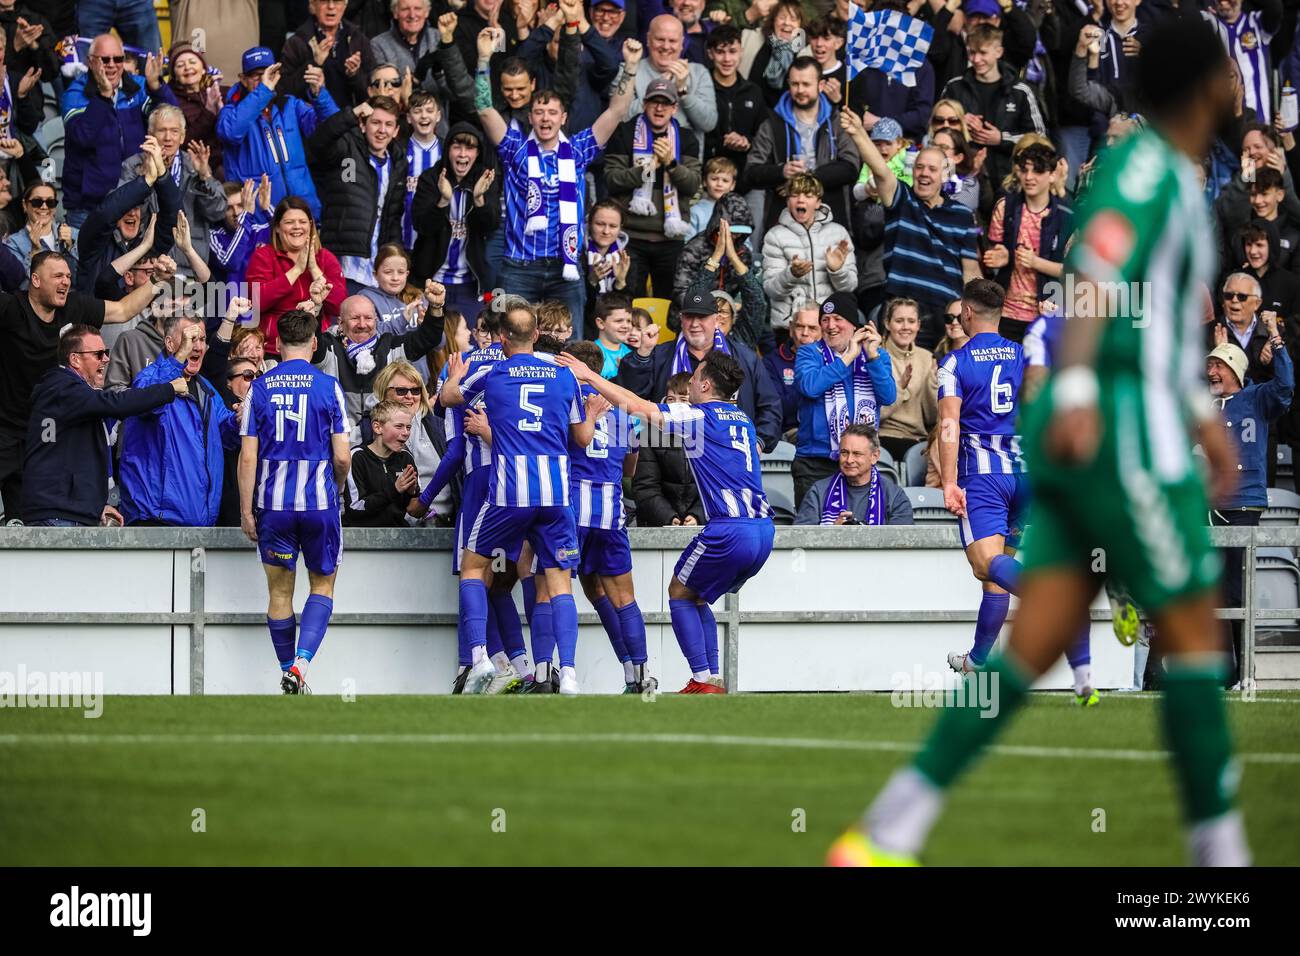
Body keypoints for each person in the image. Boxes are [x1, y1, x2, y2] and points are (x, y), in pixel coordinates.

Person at [834, 21, 1252, 868]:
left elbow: (1159, 322)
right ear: (1209, 87)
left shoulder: (1162, 170)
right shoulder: (1152, 174)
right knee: (1197, 635)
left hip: (1110, 427)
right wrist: (1088, 393)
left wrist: (1204, 422)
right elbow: (1097, 281)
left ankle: (885, 833)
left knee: (1030, 646)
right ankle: (1223, 863)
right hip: (1124, 440)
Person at [561, 346, 774, 694]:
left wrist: (589, 376)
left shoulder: (699, 416)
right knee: (696, 595)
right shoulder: (743, 420)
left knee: (678, 593)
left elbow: (638, 407)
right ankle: (712, 679)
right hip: (763, 530)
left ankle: (701, 679)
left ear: (705, 386)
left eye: (695, 376)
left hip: (730, 530)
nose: (689, 382)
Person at [440, 300, 597, 696]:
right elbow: (582, 438)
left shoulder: (492, 372)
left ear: (502, 338)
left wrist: (455, 375)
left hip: (509, 492)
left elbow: (446, 398)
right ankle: (570, 673)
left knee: (474, 568)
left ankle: (478, 658)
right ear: (539, 335)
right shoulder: (564, 376)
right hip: (556, 493)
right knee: (560, 584)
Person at [478, 36, 645, 335]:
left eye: (552, 112)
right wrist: (482, 60)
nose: (545, 118)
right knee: (509, 343)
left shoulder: (578, 149)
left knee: (572, 347)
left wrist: (630, 67)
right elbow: (484, 110)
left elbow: (617, 111)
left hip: (565, 268)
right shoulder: (514, 148)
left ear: (563, 118)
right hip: (519, 267)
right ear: (530, 117)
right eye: (539, 112)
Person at [0, 249, 174, 520]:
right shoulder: (11, 308)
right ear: (35, 280)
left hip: (48, 429)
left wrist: (157, 281)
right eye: (57, 276)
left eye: (68, 276)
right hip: (4, 427)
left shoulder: (73, 306)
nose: (65, 282)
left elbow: (123, 310)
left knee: (24, 520)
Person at [239, 307, 352, 694]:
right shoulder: (328, 386)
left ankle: (288, 668)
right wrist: (336, 487)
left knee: (279, 593)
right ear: (315, 344)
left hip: (274, 506)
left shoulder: (260, 388)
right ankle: (301, 665)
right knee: (322, 587)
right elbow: (342, 456)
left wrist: (245, 510)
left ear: (277, 344)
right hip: (319, 504)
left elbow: (248, 456)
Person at [928, 280, 1028, 675]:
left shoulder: (954, 362)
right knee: (999, 571)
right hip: (1025, 475)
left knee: (986, 564)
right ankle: (979, 661)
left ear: (967, 313)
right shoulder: (1024, 356)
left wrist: (949, 481)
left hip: (983, 477)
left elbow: (949, 424)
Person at [841, 106, 981, 352]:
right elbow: (881, 171)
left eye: (932, 169)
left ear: (945, 176)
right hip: (900, 308)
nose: (924, 173)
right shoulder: (902, 200)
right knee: (895, 380)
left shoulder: (962, 216)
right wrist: (857, 134)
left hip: (943, 313)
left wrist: (971, 314)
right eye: (919, 167)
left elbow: (970, 271)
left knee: (938, 382)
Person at [21, 324, 186, 527]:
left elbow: (73, 456)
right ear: (75, 360)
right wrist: (168, 389)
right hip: (57, 515)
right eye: (99, 354)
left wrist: (96, 504)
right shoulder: (61, 388)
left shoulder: (75, 395)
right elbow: (116, 403)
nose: (106, 359)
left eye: (106, 353)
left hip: (68, 511)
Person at [563, 339, 653, 693]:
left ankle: (550, 672)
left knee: (554, 591)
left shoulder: (568, 402)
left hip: (571, 512)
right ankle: (638, 675)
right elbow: (631, 466)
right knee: (621, 596)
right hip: (610, 515)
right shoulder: (620, 412)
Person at [1208, 319, 1294, 687]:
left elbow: (1286, 386)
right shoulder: (1204, 406)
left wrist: (1276, 339)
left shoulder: (1256, 397)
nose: (1210, 371)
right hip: (1205, 505)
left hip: (1242, 504)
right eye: (1209, 365)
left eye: (1218, 366)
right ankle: (1223, 671)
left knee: (1234, 590)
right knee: (1212, 591)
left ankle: (1246, 671)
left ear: (1236, 372)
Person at [616, 288, 783, 451]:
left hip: (727, 452)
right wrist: (643, 353)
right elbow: (630, 395)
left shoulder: (745, 358)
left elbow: (770, 406)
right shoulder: (659, 355)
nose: (694, 324)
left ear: (716, 319)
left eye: (702, 317)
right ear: (681, 318)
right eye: (689, 316)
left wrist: (759, 442)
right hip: (670, 453)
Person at [118, 312, 242, 526]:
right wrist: (178, 358)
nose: (197, 346)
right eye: (189, 338)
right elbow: (144, 401)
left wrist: (239, 420)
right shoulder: (150, 378)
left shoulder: (206, 388)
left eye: (202, 339)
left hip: (199, 522)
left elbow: (225, 433)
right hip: (154, 522)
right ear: (169, 343)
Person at [61, 34, 178, 228]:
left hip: (135, 202)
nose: (112, 65)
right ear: (90, 62)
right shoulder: (76, 93)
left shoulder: (139, 86)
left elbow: (172, 119)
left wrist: (156, 87)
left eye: (118, 59)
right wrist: (103, 96)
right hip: (88, 206)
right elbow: (82, 137)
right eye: (105, 59)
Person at [792, 290, 896, 511]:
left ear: (854, 325)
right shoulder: (809, 353)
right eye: (825, 320)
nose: (831, 325)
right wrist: (848, 356)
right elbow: (810, 387)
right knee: (811, 532)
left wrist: (872, 356)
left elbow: (888, 396)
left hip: (858, 463)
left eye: (838, 319)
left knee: (858, 530)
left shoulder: (877, 355)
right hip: (815, 463)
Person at [605, 78, 702, 298]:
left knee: (670, 305)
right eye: (654, 102)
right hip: (631, 236)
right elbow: (612, 179)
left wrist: (672, 164)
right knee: (630, 302)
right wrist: (647, 169)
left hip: (671, 240)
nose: (659, 108)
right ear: (644, 104)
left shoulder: (686, 138)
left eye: (665, 103)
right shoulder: (625, 132)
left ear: (675, 108)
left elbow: (693, 185)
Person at [217, 50, 340, 221]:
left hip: (301, 214)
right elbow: (231, 132)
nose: (263, 79)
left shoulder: (290, 105)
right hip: (258, 219)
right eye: (256, 75)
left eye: (269, 73)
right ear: (243, 80)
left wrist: (320, 94)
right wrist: (264, 90)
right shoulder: (231, 112)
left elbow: (333, 127)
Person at [313, 286, 445, 442]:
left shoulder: (389, 346)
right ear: (341, 323)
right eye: (355, 318)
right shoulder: (328, 347)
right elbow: (312, 342)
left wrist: (436, 308)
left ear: (376, 321)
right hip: (337, 442)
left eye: (368, 318)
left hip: (382, 442)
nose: (362, 324)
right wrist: (316, 310)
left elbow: (427, 339)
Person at [743, 56, 859, 234]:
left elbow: (851, 167)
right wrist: (781, 171)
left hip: (831, 216)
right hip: (783, 220)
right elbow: (751, 172)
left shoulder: (836, 120)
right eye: (795, 84)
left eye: (806, 84)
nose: (800, 90)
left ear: (820, 86)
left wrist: (805, 180)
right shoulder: (772, 123)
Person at [118, 104, 227, 275]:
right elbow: (124, 212)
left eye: (174, 131)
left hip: (189, 266)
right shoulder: (133, 166)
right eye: (162, 131)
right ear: (150, 135)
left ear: (182, 136)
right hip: (149, 267)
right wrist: (144, 178)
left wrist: (205, 176)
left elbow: (218, 211)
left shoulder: (194, 165)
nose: (168, 137)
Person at [938, 24, 1047, 192]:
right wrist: (957, 123)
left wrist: (1001, 139)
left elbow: (1039, 138)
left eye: (983, 53)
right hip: (962, 179)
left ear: (999, 52)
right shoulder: (955, 87)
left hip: (1010, 181)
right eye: (972, 52)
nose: (976, 59)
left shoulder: (1020, 91)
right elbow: (935, 131)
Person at [982, 141, 1073, 342]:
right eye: (1024, 170)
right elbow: (993, 251)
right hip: (1005, 312)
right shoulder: (1005, 207)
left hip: (1046, 311)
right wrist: (1001, 256)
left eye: (1038, 171)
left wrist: (1035, 262)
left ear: (1052, 175)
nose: (1029, 177)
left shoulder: (1067, 216)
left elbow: (1073, 271)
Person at [410, 121, 498, 317]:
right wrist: (443, 200)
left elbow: (491, 225)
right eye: (457, 146)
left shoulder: (484, 179)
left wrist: (478, 199)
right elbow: (421, 225)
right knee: (433, 344)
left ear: (477, 153)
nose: (462, 154)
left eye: (469, 147)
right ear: (448, 149)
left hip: (469, 283)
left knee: (470, 342)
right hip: (431, 281)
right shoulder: (431, 178)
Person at [244, 196, 347, 353]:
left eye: (303, 222)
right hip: (275, 347)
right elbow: (257, 301)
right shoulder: (263, 256)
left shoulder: (325, 257)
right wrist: (297, 269)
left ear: (311, 225)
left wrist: (313, 268)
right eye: (289, 222)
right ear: (277, 227)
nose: (297, 227)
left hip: (317, 346)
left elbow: (340, 306)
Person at [761, 172, 856, 329]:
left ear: (818, 202)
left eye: (808, 195)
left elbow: (849, 287)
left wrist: (836, 270)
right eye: (795, 195)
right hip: (791, 327)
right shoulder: (774, 235)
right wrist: (792, 274)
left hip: (828, 325)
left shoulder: (838, 233)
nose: (801, 200)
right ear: (787, 201)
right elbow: (771, 290)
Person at [625, 15, 717, 149]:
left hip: (685, 164)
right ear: (648, 40)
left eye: (673, 41)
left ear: (682, 44)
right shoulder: (629, 68)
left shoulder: (699, 72)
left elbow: (708, 124)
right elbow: (621, 119)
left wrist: (683, 92)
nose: (666, 46)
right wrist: (660, 85)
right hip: (636, 161)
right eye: (660, 39)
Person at [795, 423, 913, 526]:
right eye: (844, 453)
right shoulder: (819, 491)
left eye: (857, 454)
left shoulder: (894, 496)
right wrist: (831, 533)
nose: (849, 460)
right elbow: (801, 538)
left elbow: (901, 543)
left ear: (874, 456)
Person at [632, 371, 706, 526]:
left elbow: (716, 486)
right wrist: (668, 517)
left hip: (703, 525)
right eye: (671, 399)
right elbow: (645, 487)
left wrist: (698, 515)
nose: (676, 405)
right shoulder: (649, 434)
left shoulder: (710, 436)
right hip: (659, 524)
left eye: (684, 399)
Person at [280, 0, 376, 111]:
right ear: (313, 5)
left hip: (353, 120)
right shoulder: (296, 43)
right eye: (324, 1)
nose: (331, 6)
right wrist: (314, 63)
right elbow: (284, 92)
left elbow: (373, 93)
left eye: (337, 1)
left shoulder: (359, 39)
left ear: (345, 6)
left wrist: (355, 75)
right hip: (311, 123)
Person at [878, 297, 939, 464]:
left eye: (911, 321)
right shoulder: (875, 356)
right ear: (887, 323)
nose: (905, 327)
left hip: (917, 439)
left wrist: (933, 385)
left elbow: (931, 417)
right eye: (899, 321)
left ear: (918, 325)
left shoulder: (926, 357)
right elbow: (874, 414)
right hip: (883, 436)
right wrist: (900, 388)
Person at [343, 398, 421, 527]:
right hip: (362, 539)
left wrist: (412, 493)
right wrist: (394, 490)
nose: (406, 433)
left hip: (399, 537)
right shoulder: (357, 457)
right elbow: (354, 508)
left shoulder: (406, 458)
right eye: (399, 426)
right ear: (377, 427)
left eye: (408, 427)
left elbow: (411, 510)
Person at [704, 24, 767, 179]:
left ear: (741, 53)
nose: (727, 59)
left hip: (746, 177)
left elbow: (763, 134)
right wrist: (722, 143)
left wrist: (746, 142)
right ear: (710, 53)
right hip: (708, 177)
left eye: (733, 52)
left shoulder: (753, 91)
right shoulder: (701, 88)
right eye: (720, 52)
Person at [1203, 0, 1281, 123]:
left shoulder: (1255, 22)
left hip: (1259, 122)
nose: (1223, 3)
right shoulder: (1211, 26)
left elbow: (1275, 8)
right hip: (1226, 125)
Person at [764, 301, 821, 439]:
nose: (805, 333)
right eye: (800, 327)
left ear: (823, 331)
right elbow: (776, 408)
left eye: (812, 328)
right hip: (790, 434)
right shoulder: (772, 362)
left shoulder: (831, 359)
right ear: (790, 328)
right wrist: (810, 384)